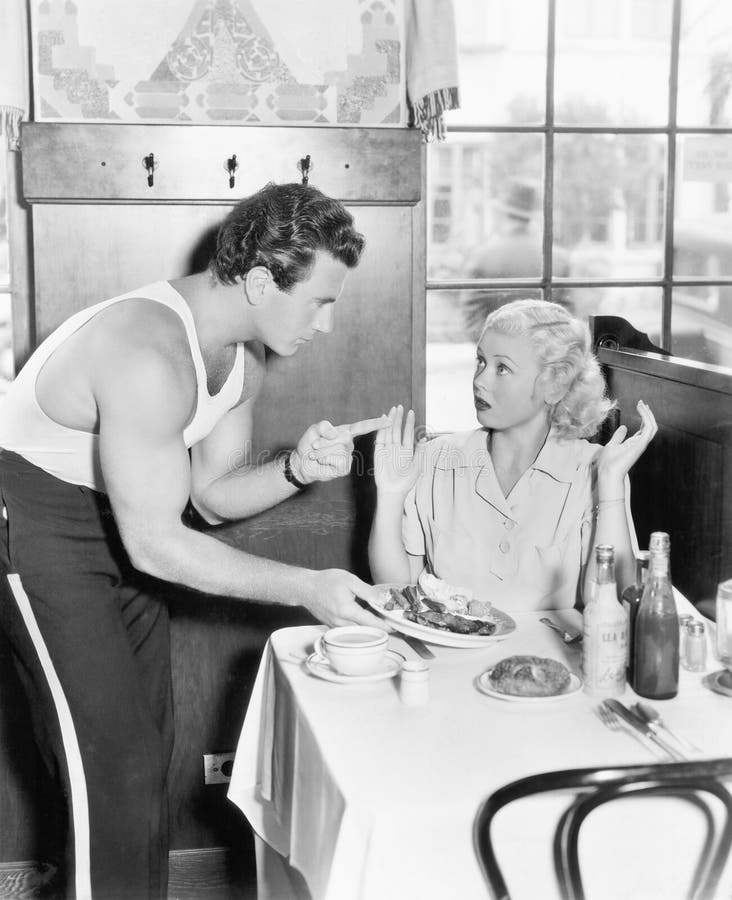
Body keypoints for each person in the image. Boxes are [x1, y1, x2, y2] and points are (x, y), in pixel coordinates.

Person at [0, 181, 391, 900]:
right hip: (35, 525)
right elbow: (158, 545)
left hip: (127, 525)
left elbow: (209, 499)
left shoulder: (240, 359)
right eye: (320, 302)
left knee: (144, 755)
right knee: (109, 768)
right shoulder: (145, 349)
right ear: (260, 281)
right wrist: (308, 587)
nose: (326, 325)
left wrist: (297, 470)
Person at [369, 298, 657, 613]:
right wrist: (390, 497)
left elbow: (615, 605)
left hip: (547, 662)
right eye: (480, 361)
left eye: (502, 368)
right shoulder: (437, 459)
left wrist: (611, 487)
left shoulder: (597, 470)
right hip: (449, 660)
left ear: (555, 384)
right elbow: (397, 589)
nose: (480, 380)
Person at [462, 179, 571, 337]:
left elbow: (472, 320)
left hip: (496, 353)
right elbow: (568, 321)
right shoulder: (558, 258)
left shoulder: (481, 257)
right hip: (546, 356)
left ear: (504, 213)